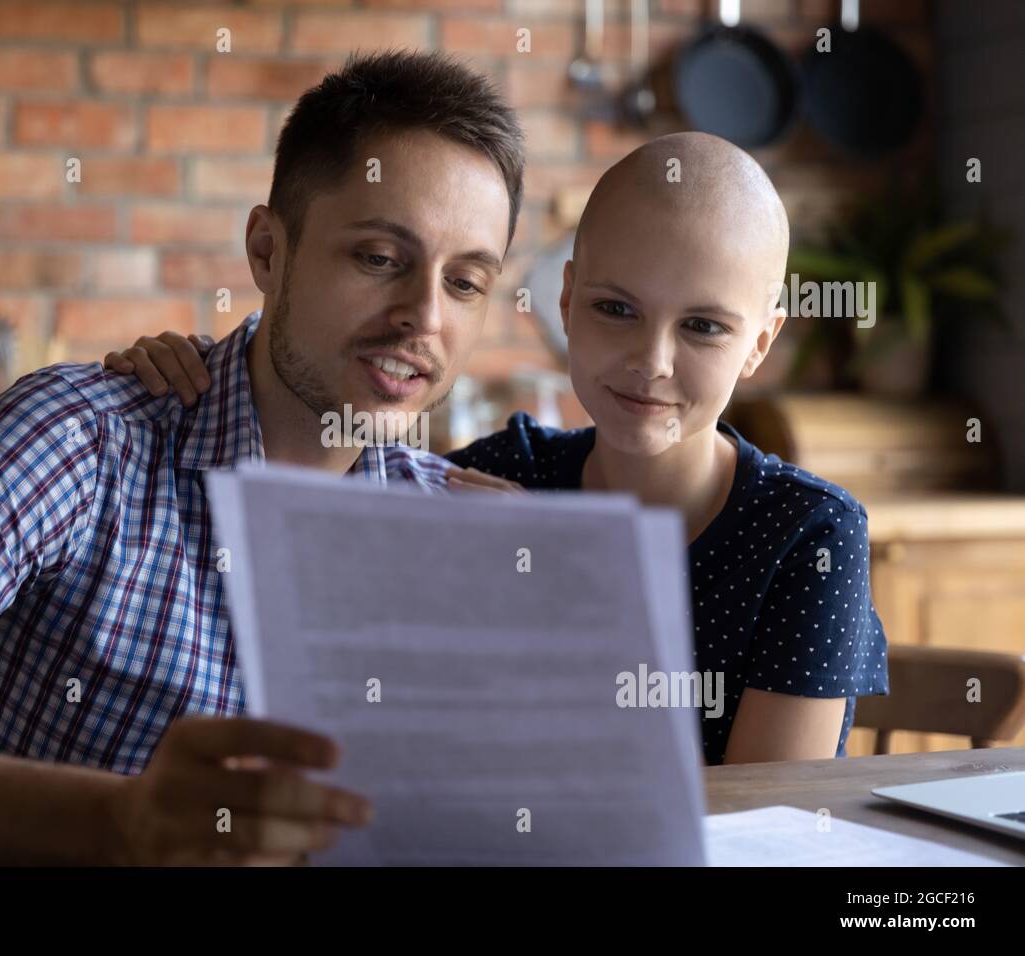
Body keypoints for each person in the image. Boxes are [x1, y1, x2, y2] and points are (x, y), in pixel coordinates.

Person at [0, 50, 525, 866]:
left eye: (465, 283)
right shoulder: (78, 440)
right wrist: (122, 823)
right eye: (380, 259)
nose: (422, 317)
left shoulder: (457, 533)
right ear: (266, 251)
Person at [105, 132, 890, 767]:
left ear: (760, 343)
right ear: (567, 302)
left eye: (704, 327)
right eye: (616, 309)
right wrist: (196, 370)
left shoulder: (809, 535)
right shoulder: (500, 476)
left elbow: (763, 826)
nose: (652, 360)